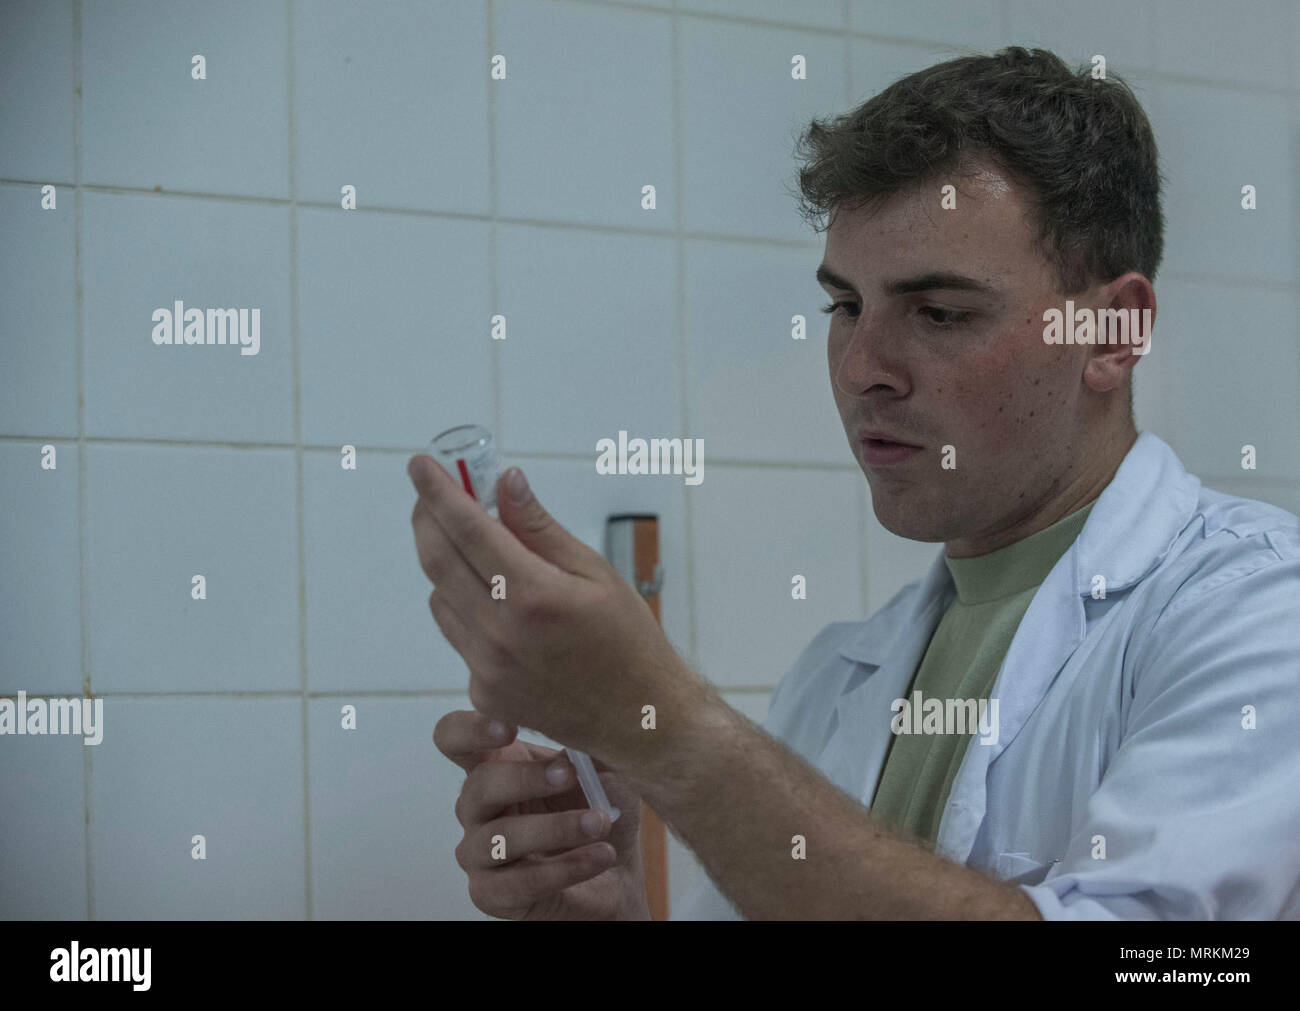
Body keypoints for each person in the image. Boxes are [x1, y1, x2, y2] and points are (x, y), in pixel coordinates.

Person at [410, 47, 1300, 920]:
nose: (862, 367)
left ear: (1111, 332)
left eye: (940, 312)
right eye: (845, 306)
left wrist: (664, 728)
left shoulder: (1255, 612)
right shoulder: (834, 678)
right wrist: (602, 909)